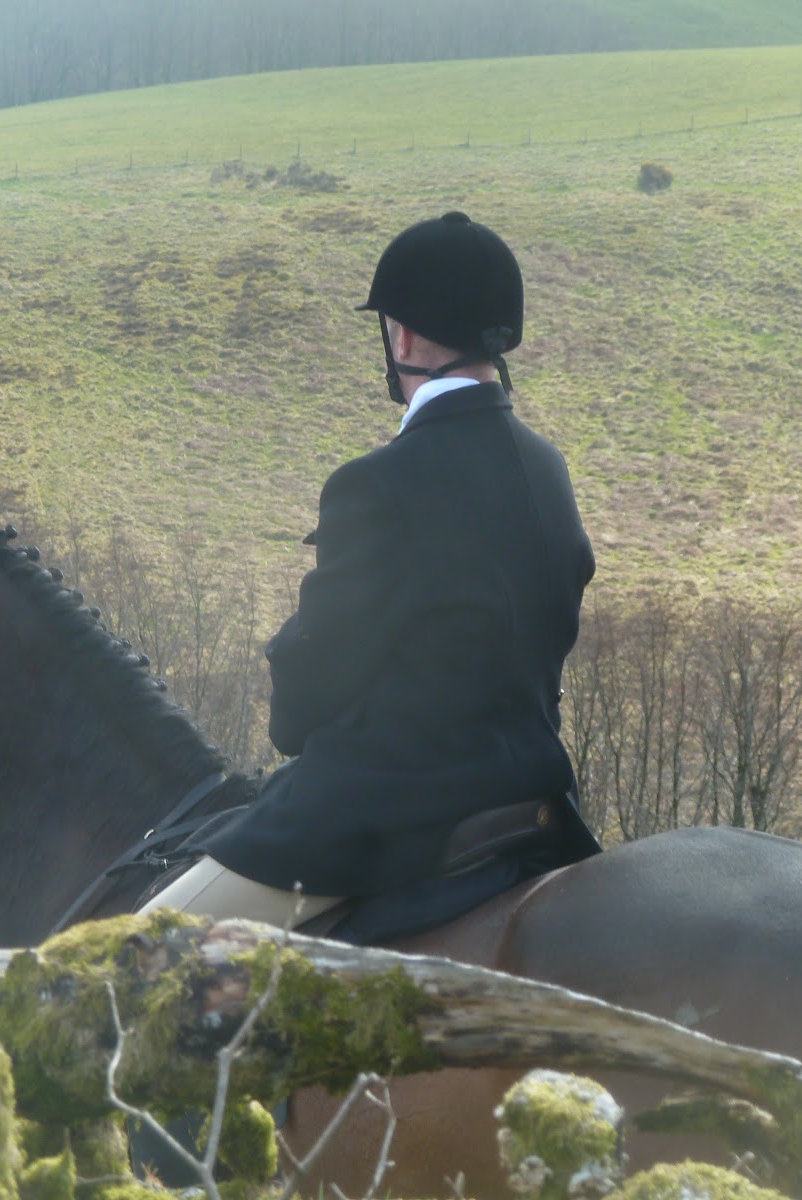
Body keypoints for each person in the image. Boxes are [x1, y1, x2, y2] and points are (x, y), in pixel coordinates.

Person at [142, 211, 600, 934]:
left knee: (134, 957)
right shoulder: (548, 468)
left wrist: (294, 708)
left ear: (404, 336)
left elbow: (309, 693)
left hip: (384, 817)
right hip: (536, 802)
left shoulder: (376, 484)